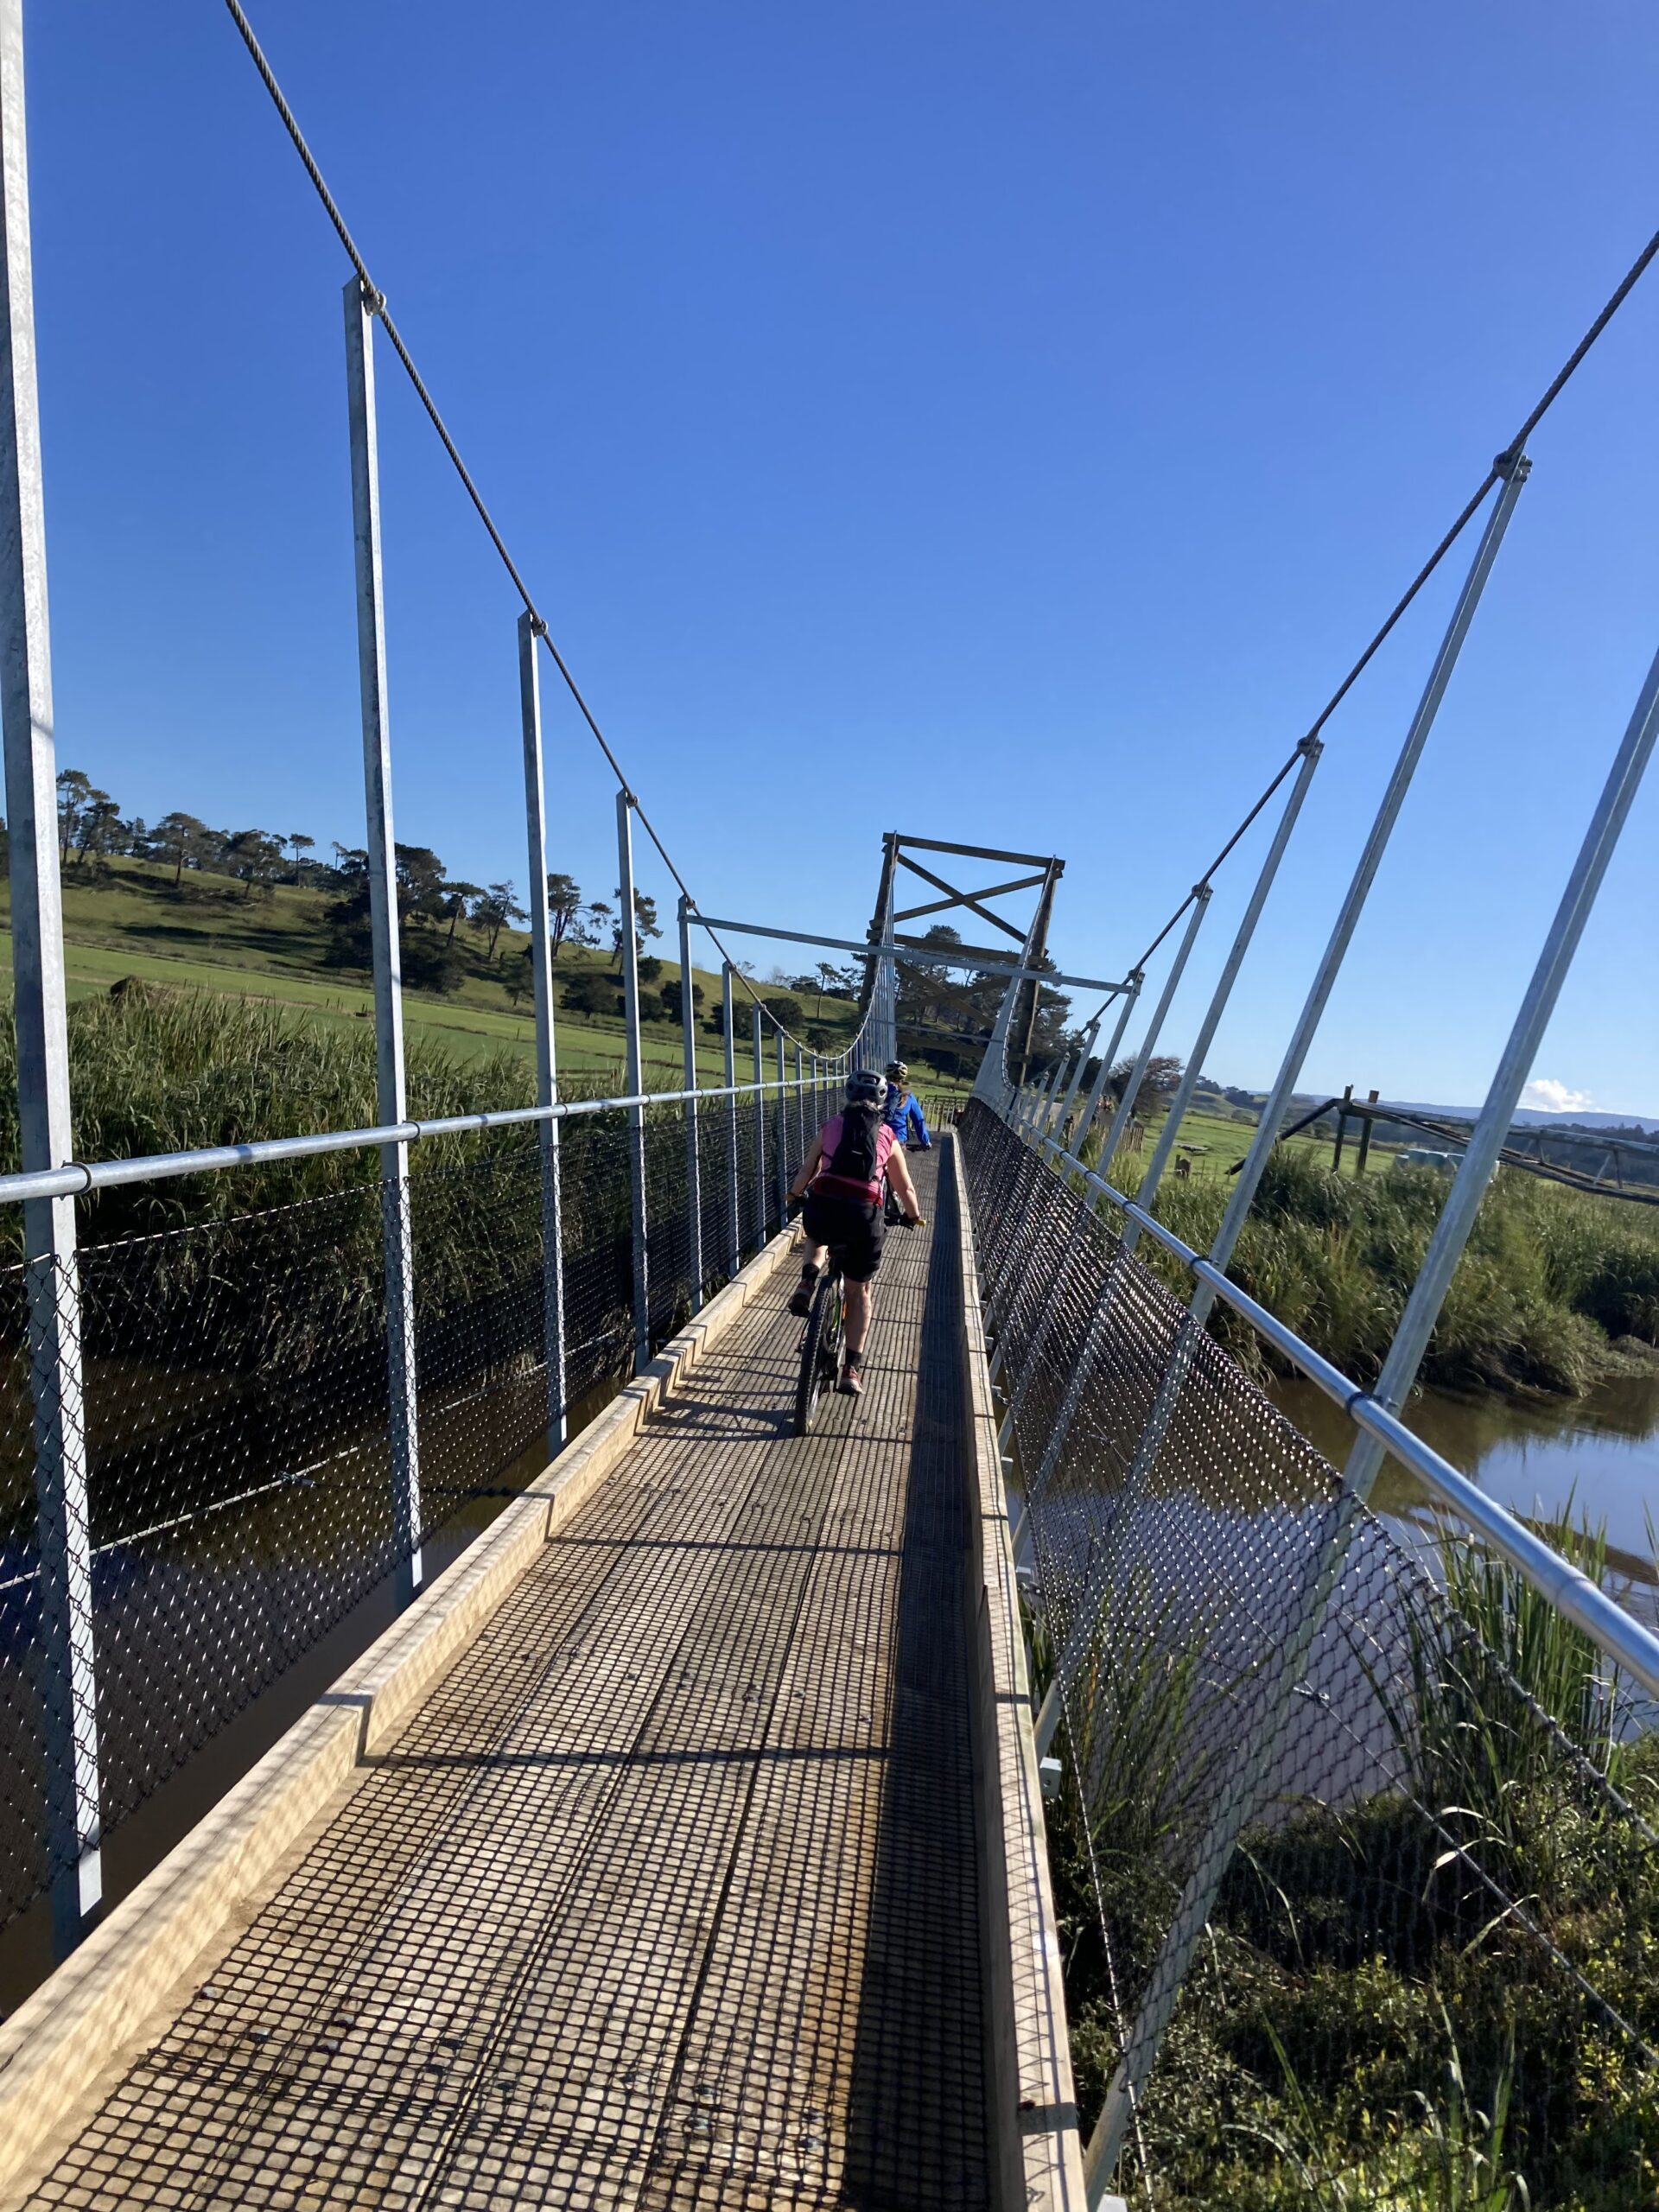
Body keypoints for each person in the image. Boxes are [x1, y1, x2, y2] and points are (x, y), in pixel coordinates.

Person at [786, 1070, 924, 1398]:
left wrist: (795, 1195)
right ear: (881, 1100)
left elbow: (808, 1170)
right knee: (859, 1292)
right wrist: (913, 1216)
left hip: (825, 1207)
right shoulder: (888, 1135)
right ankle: (851, 1369)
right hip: (864, 1218)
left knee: (817, 1236)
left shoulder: (830, 1126)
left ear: (847, 1095)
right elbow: (904, 1187)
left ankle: (807, 1280)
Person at [883, 1060, 931, 1150]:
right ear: (903, 1079)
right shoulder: (907, 1096)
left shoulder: (877, 1091)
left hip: (877, 1136)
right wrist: (925, 1141)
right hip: (897, 1139)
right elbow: (918, 1120)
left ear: (886, 1075)